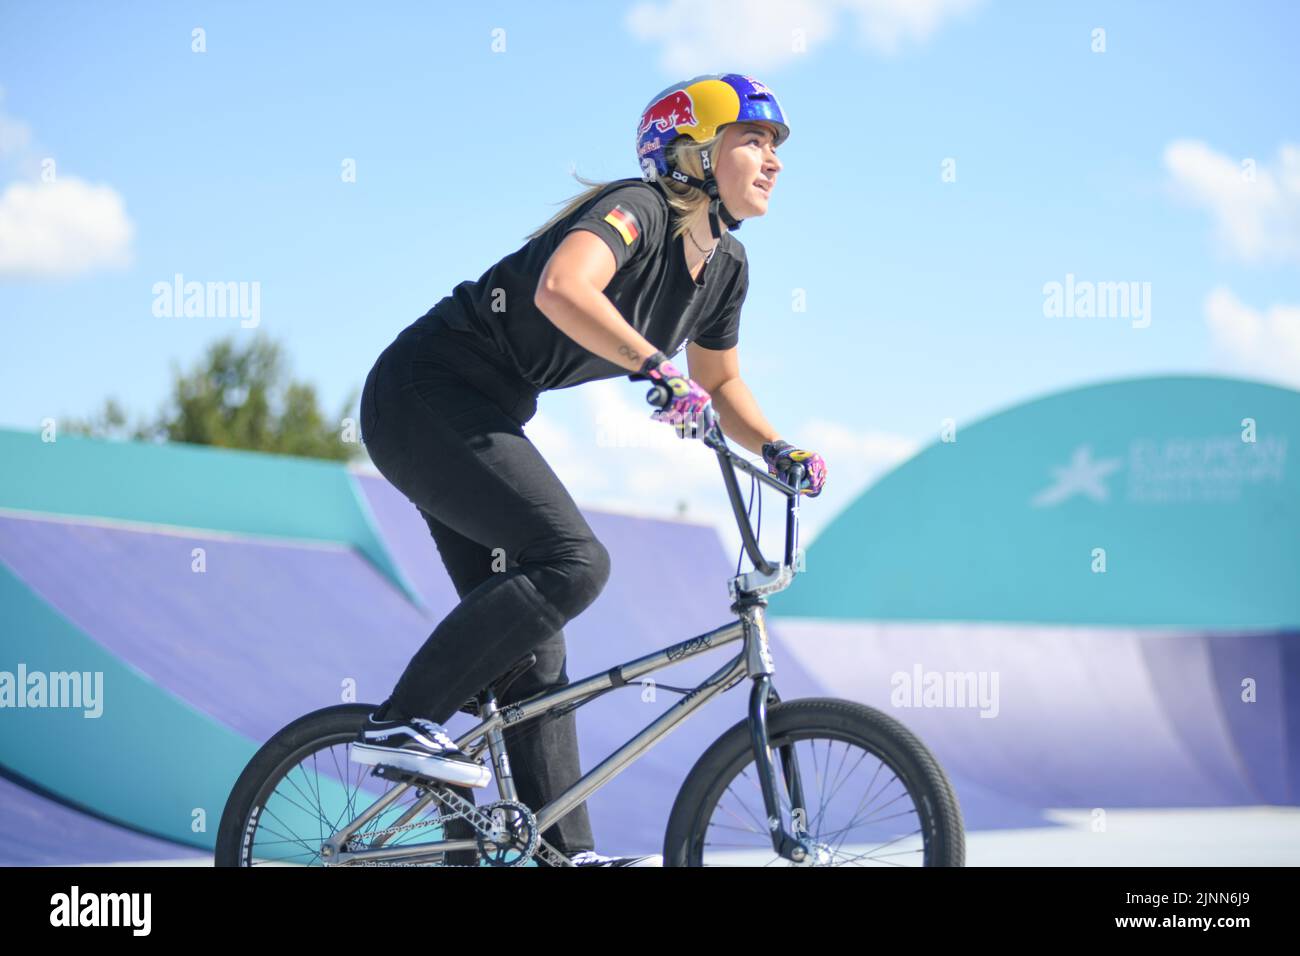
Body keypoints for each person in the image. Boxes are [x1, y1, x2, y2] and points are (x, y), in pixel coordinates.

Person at [351, 73, 828, 867]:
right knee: (574, 562)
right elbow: (563, 286)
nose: (773, 160)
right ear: (694, 153)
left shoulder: (727, 269)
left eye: (777, 146)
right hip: (422, 393)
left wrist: (777, 446)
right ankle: (406, 719)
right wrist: (652, 366)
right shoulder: (637, 211)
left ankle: (558, 852)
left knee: (533, 649)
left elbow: (722, 383)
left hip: (484, 416)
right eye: (754, 140)